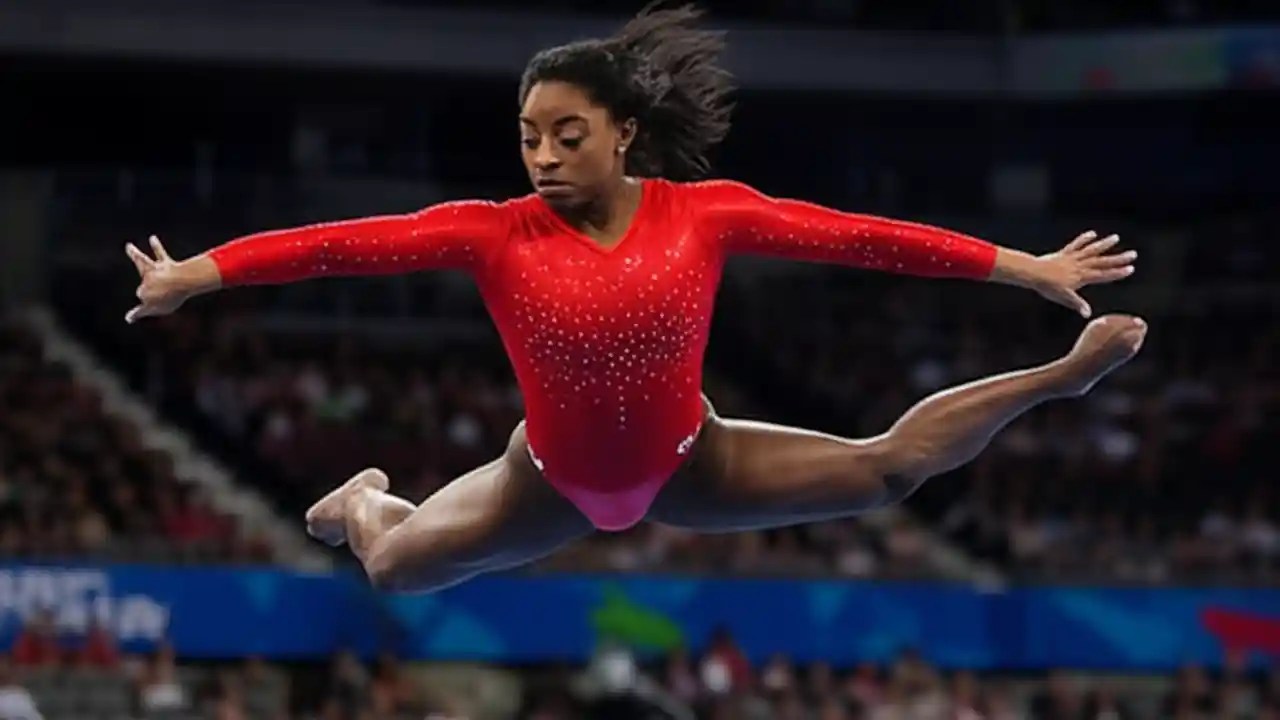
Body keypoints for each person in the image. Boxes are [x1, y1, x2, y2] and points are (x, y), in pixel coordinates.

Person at [123, 2, 1145, 593]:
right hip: (548, 479)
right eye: (528, 135)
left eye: (567, 135)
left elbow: (862, 240)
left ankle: (1059, 376)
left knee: (889, 473)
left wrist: (1030, 267)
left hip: (691, 457)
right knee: (389, 571)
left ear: (622, 134)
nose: (543, 156)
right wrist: (195, 273)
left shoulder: (702, 214)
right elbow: (337, 247)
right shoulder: (491, 232)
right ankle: (363, 499)